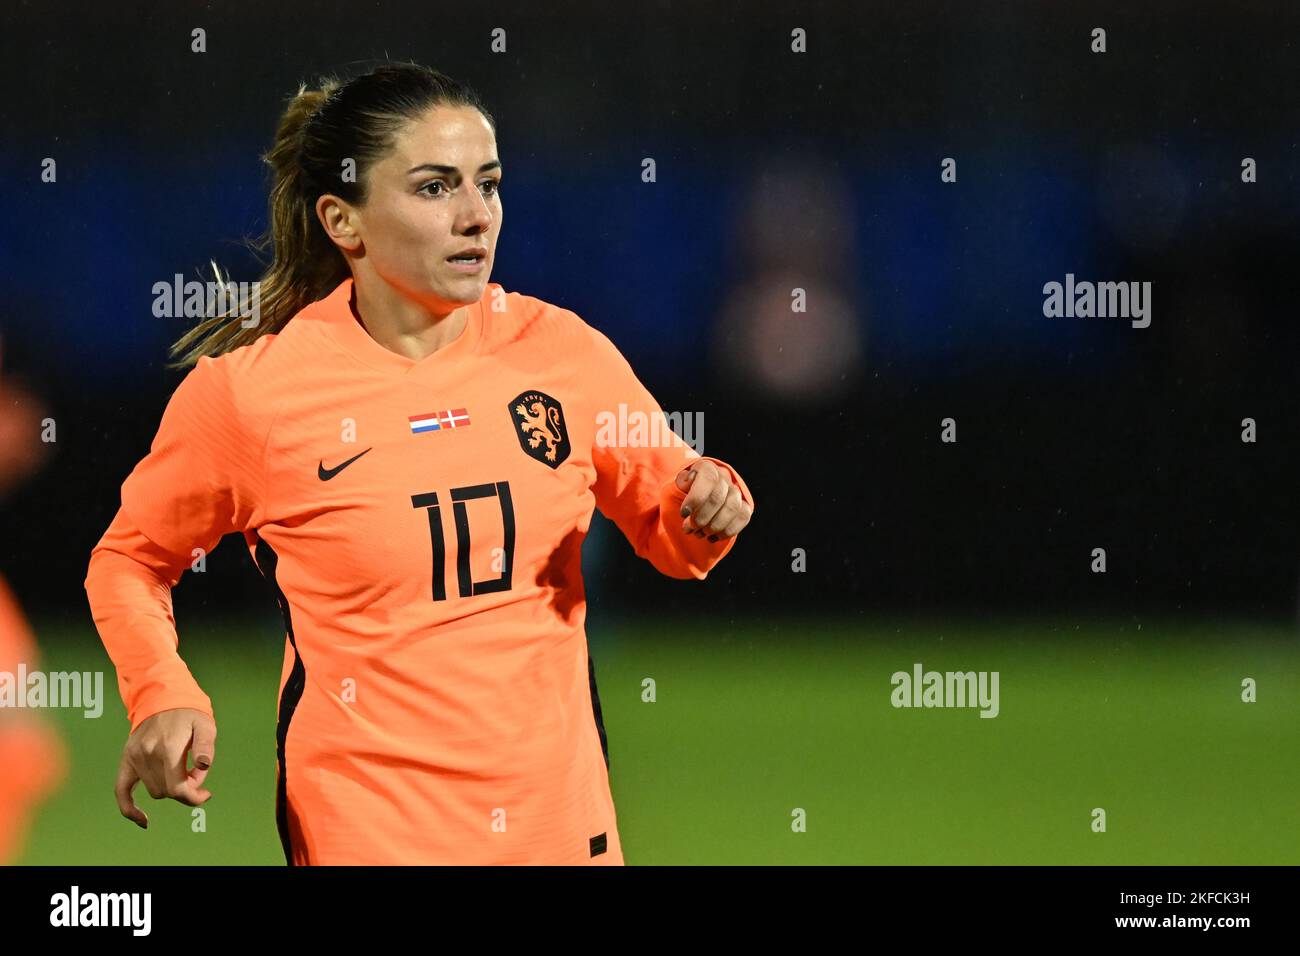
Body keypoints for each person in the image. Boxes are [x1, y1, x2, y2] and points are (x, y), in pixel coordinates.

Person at [84, 63, 754, 865]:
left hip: (561, 833)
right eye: (435, 188)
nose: (477, 216)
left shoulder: (562, 355)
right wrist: (160, 691)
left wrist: (710, 502)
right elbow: (130, 558)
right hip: (369, 835)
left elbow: (675, 530)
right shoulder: (253, 397)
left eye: (490, 183)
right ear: (343, 221)